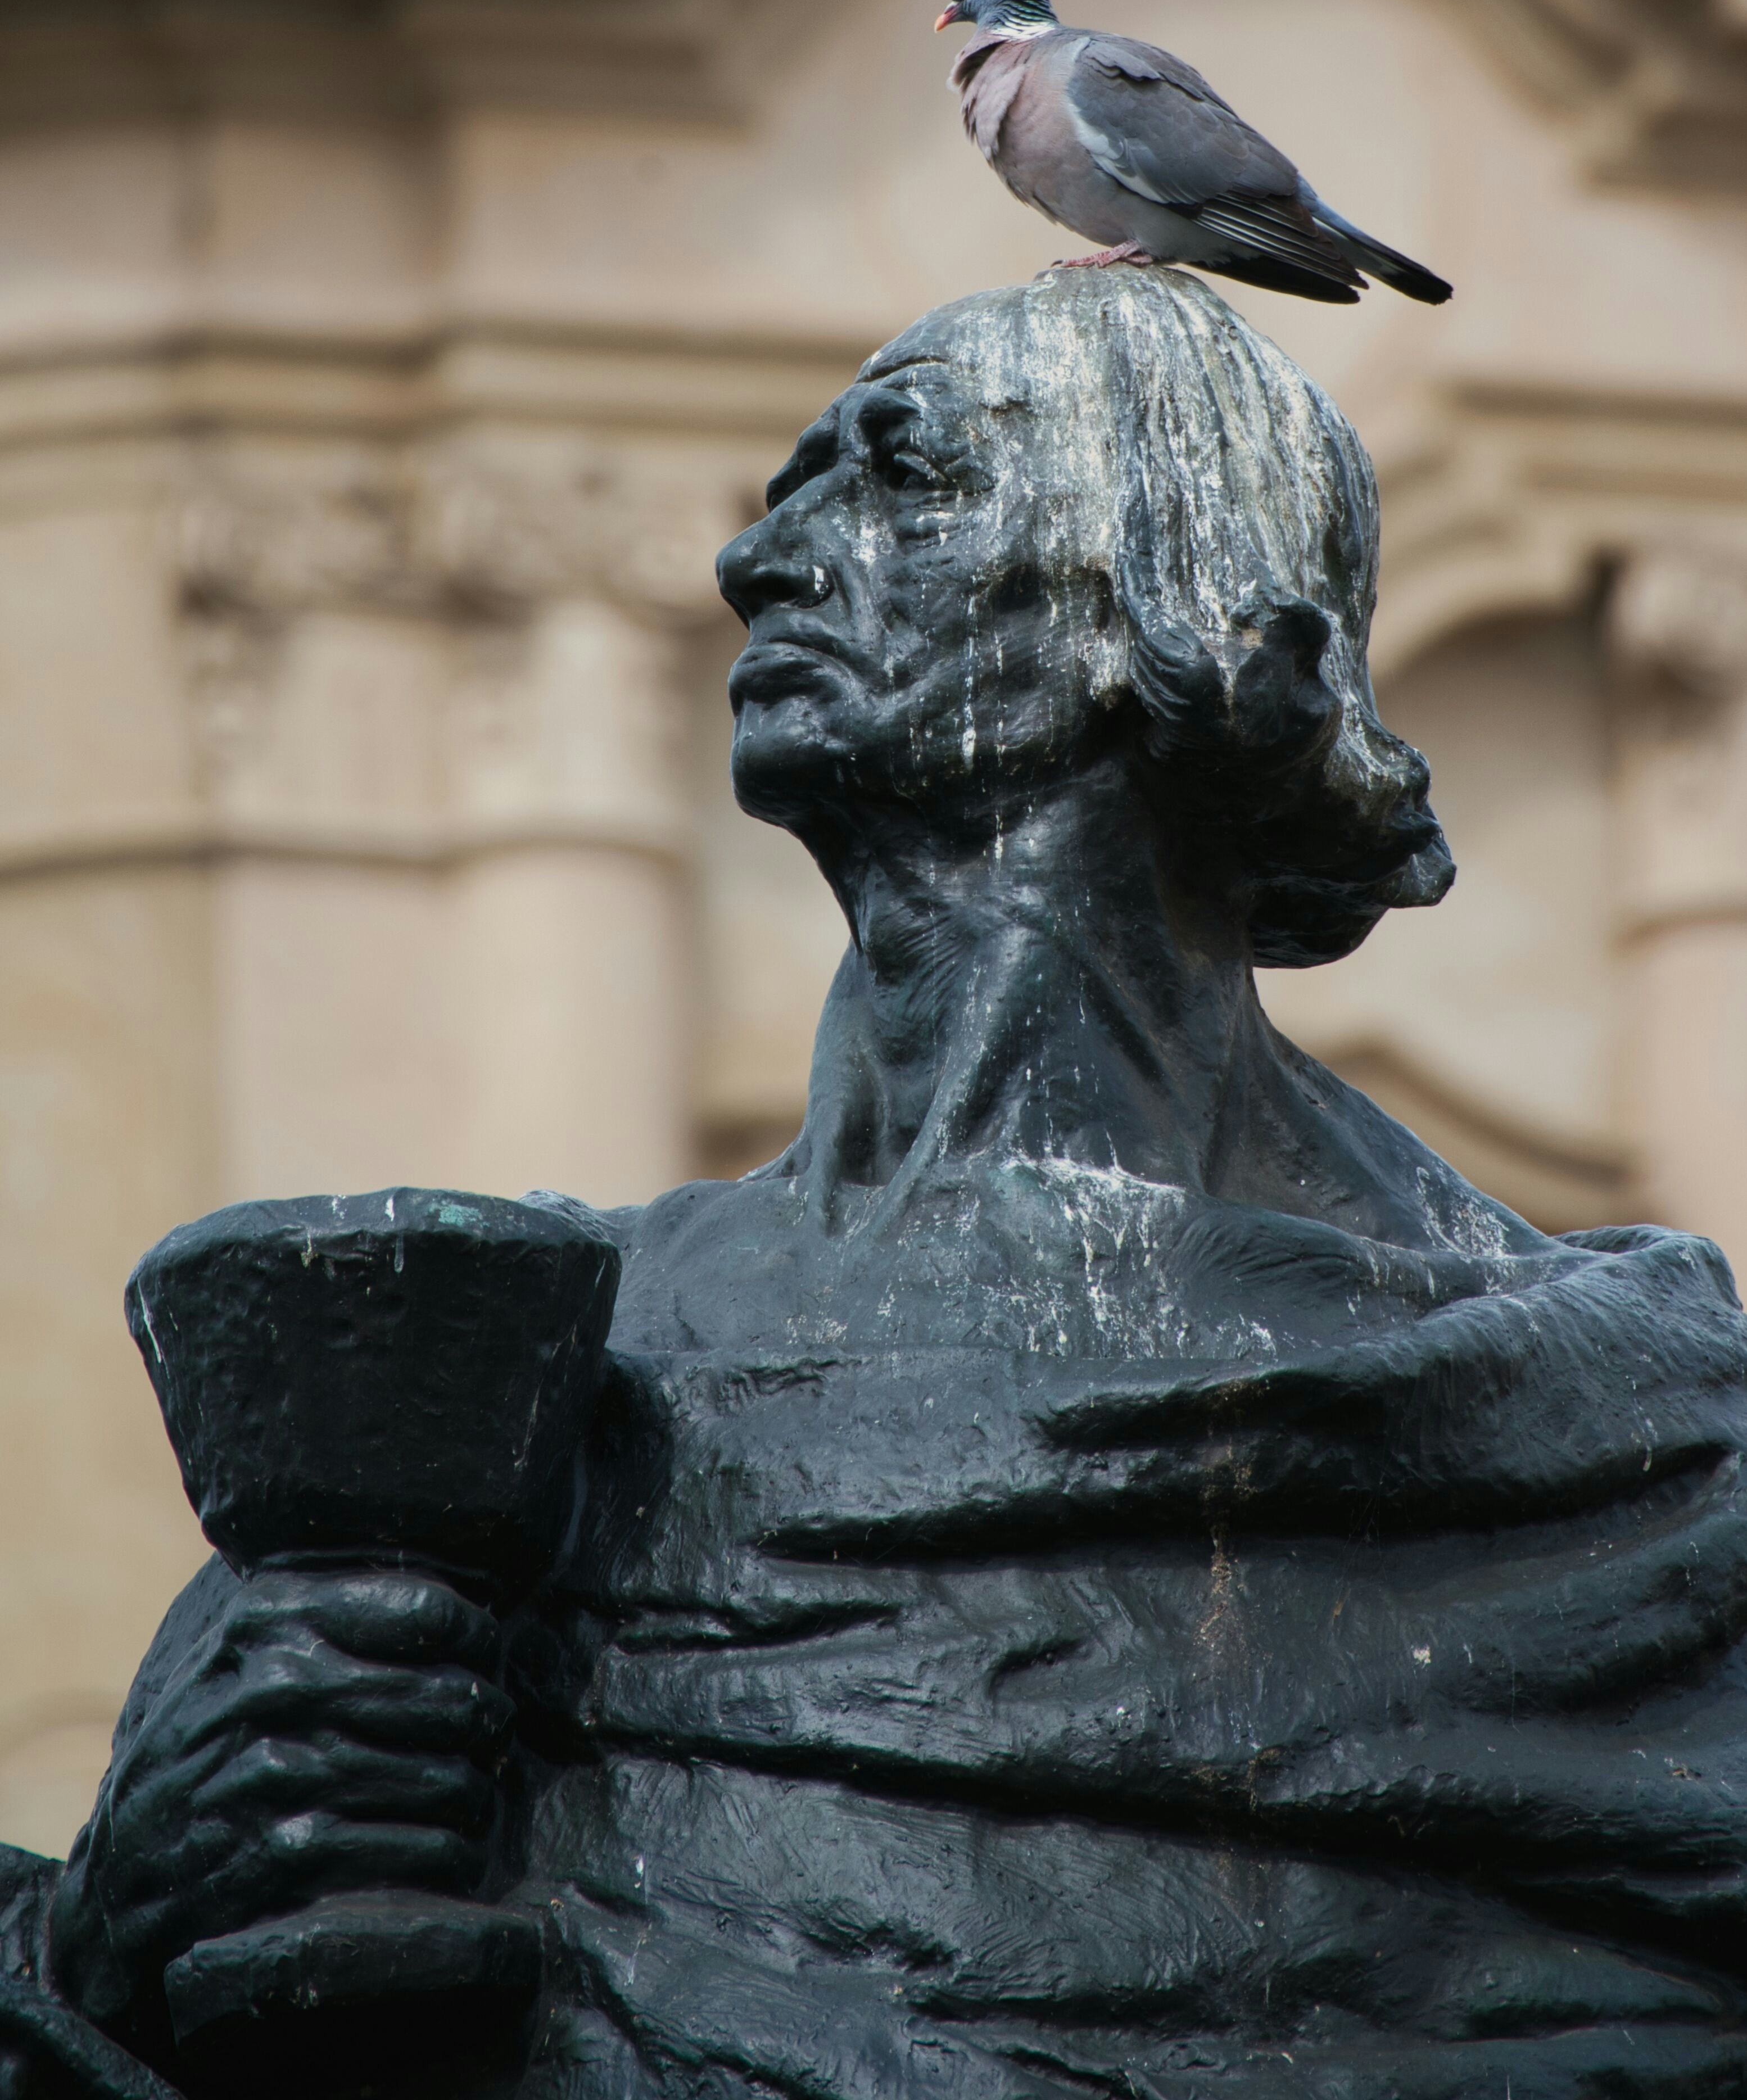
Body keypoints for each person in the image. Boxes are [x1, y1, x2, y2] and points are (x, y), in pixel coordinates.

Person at [20, 269, 1747, 2097]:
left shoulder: (1636, 1450)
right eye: (792, 482)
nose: (758, 557)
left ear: (1193, 611)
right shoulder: (506, 1410)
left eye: (899, 474)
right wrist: (112, 1941)